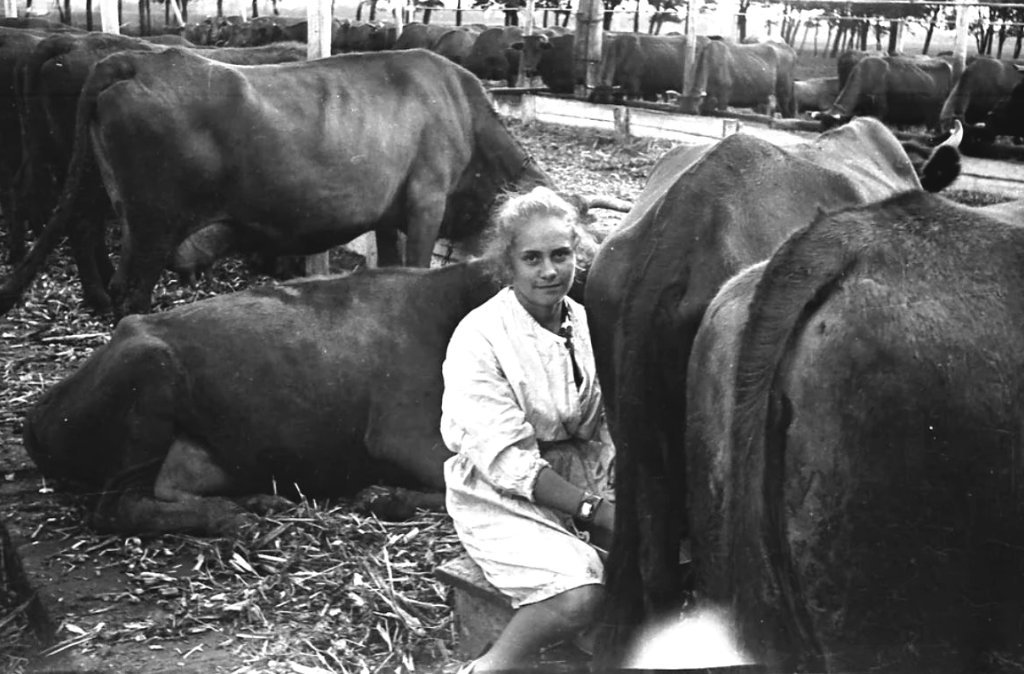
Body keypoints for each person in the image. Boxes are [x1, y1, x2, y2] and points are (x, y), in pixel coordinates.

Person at [440, 186, 616, 672]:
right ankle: (493, 665)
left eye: (561, 255)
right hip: (500, 493)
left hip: (583, 474)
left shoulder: (583, 322)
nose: (549, 271)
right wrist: (593, 510)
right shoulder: (479, 338)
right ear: (508, 264)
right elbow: (507, 462)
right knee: (579, 593)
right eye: (532, 258)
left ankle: (587, 650)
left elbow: (603, 421)